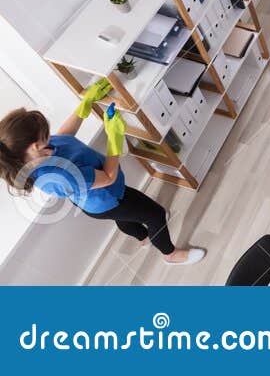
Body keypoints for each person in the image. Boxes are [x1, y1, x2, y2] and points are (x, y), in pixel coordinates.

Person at [0, 80, 204, 265]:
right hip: (108, 198)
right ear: (34, 145)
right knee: (155, 214)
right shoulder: (60, 176)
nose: (50, 137)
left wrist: (85, 104)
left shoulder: (38, 151)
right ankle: (171, 255)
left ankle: (143, 238)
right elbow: (108, 177)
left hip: (102, 200)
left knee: (124, 218)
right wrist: (114, 137)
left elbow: (64, 136)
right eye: (45, 135)